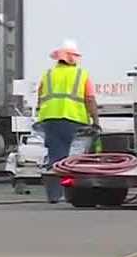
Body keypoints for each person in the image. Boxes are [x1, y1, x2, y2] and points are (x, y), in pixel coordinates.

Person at [37, 39, 99, 204]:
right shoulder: (81, 75)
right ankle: (70, 192)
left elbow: (40, 97)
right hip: (74, 120)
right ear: (73, 58)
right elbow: (90, 99)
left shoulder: (48, 74)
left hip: (50, 120)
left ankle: (54, 195)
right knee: (73, 159)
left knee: (55, 156)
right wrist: (96, 120)